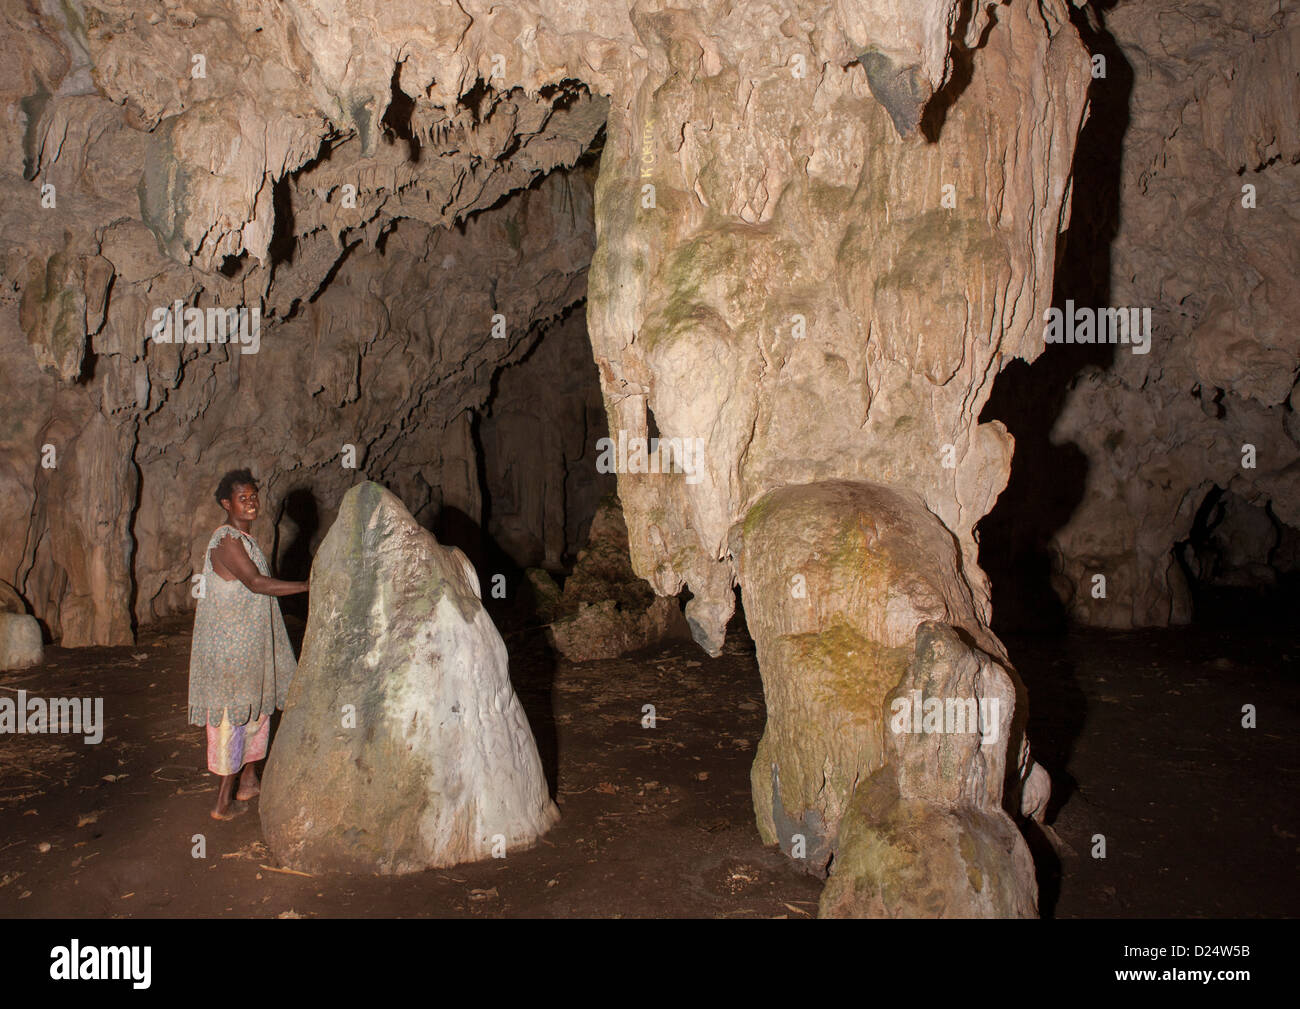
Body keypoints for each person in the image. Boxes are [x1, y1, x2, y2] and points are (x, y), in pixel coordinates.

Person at [188, 469, 307, 820]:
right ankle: (222, 803)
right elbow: (256, 583)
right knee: (232, 719)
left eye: (254, 496)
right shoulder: (227, 540)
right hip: (229, 650)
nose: (251, 503)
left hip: (248, 646)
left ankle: (249, 782)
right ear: (227, 504)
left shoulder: (245, 540)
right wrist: (308, 585)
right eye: (243, 498)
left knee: (256, 711)